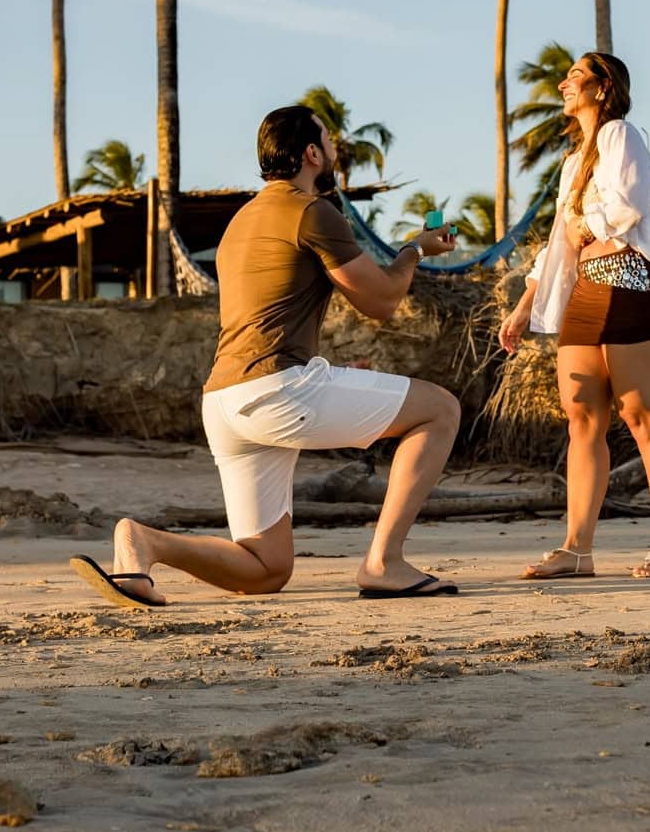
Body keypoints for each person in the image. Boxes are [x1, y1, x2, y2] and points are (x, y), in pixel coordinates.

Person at [70, 105, 461, 609]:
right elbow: (381, 301)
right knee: (440, 409)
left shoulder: (243, 220)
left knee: (266, 569)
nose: (336, 150)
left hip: (224, 403)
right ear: (312, 154)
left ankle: (146, 543)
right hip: (278, 390)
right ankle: (384, 562)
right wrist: (415, 250)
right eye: (329, 140)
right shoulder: (311, 211)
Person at [498, 53, 650, 580]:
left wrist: (588, 222)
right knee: (581, 417)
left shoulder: (621, 136)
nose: (563, 83)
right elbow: (557, 245)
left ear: (603, 89)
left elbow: (628, 207)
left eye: (575, 75)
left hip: (630, 278)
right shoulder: (570, 161)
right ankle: (576, 550)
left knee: (643, 416)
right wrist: (523, 307)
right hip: (586, 289)